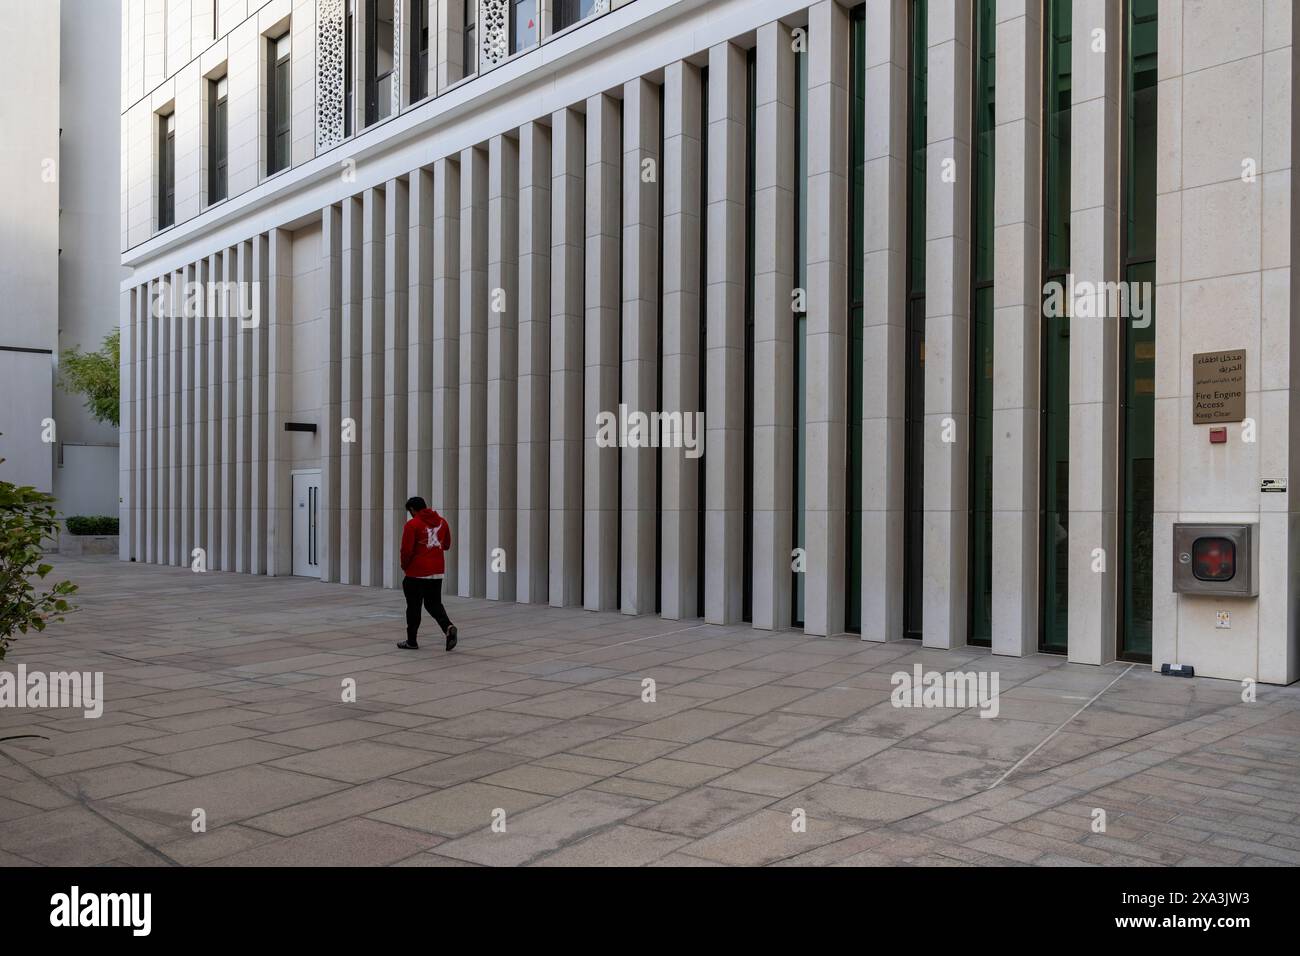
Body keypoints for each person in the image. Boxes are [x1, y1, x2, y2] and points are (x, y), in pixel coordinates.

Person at [397, 497, 458, 651]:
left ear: (412, 509)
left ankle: (412, 641)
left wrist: (405, 566)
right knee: (434, 603)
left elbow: (406, 550)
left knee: (413, 607)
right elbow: (447, 545)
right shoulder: (442, 522)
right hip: (436, 572)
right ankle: (448, 627)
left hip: (416, 573)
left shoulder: (412, 525)